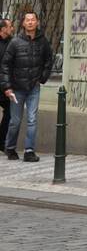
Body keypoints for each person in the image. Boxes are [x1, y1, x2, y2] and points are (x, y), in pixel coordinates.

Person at [0, 10, 54, 161]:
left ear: (37, 22)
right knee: (15, 121)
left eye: (33, 20)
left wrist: (42, 78)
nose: (30, 22)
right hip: (17, 88)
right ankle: (10, 147)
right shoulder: (15, 42)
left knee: (32, 119)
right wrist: (7, 87)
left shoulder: (43, 41)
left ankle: (29, 151)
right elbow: (5, 66)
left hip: (33, 88)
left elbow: (49, 61)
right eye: (27, 20)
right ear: (23, 23)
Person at [0, 19, 12, 150]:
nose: (12, 28)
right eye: (9, 26)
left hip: (5, 85)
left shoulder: (12, 42)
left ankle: (1, 140)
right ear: (3, 29)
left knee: (9, 111)